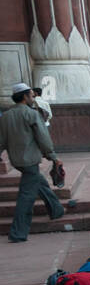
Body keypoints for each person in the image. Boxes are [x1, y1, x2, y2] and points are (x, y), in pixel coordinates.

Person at [0, 82, 68, 242]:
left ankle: (56, 209)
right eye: (31, 95)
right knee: (26, 196)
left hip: (17, 159)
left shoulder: (7, 115)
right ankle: (18, 233)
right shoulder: (31, 114)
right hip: (29, 159)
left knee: (38, 182)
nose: (33, 97)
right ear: (24, 96)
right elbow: (43, 138)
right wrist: (53, 156)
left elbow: (1, 140)